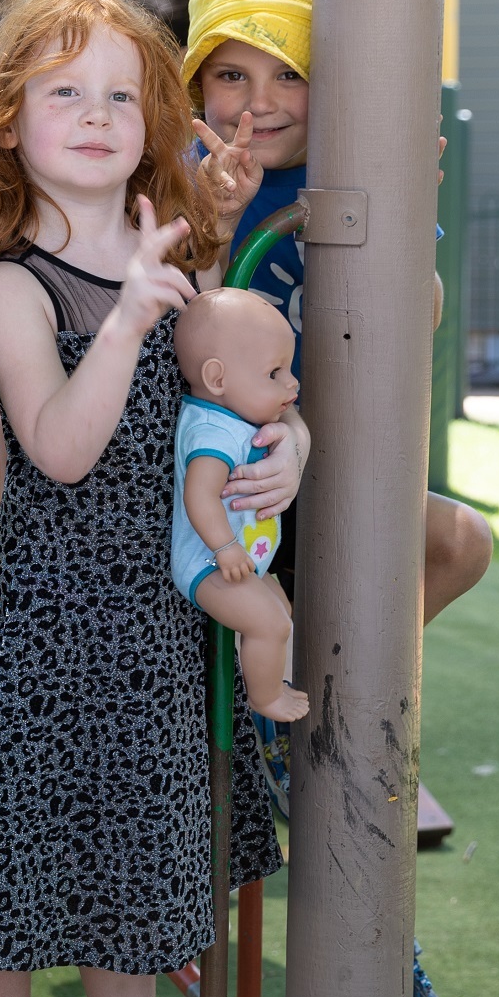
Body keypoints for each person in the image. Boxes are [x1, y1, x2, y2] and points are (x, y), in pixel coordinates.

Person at [0, 0, 293, 997]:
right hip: (45, 610)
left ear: (152, 121)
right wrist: (135, 317)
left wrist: (280, 446)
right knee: (21, 844)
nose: (94, 115)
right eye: (62, 92)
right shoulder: (8, 278)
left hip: (155, 609)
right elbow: (58, 446)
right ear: (7, 121)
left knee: (139, 847)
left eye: (121, 94)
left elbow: (233, 397)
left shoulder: (174, 258)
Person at [184, 0, 483, 997]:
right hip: (207, 480)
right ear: (193, 85)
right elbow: (189, 350)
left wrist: (404, 218)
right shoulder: (173, 178)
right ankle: (354, 886)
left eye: (289, 78)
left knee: (454, 539)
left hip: (304, 473)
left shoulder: (353, 179)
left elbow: (420, 325)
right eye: (231, 75)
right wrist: (214, 225)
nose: (257, 106)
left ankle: (335, 696)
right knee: (274, 643)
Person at [171, 289, 308, 722]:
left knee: (281, 612)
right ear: (217, 378)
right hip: (209, 563)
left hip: (240, 557)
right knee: (271, 625)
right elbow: (199, 494)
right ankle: (265, 699)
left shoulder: (233, 415)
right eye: (274, 373)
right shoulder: (212, 435)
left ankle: (270, 683)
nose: (292, 383)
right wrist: (225, 548)